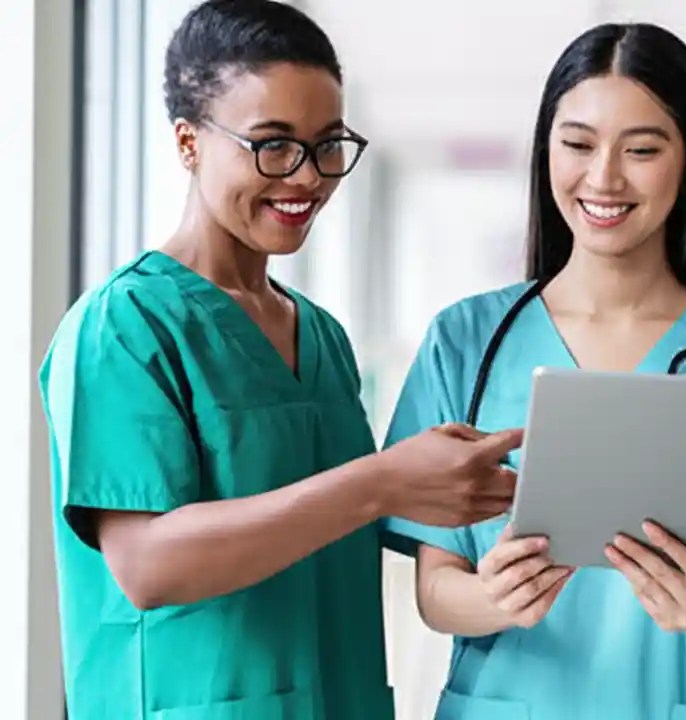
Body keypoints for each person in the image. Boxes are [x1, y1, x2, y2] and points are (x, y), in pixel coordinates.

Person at [38, 2, 521, 718]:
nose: (306, 178)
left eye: (328, 145)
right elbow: (148, 565)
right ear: (188, 142)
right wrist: (382, 483)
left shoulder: (320, 336)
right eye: (272, 145)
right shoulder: (124, 327)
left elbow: (343, 525)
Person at [381, 22, 686, 720]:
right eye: (576, 144)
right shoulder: (464, 340)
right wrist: (493, 597)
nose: (604, 177)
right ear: (547, 152)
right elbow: (434, 592)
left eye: (643, 150)